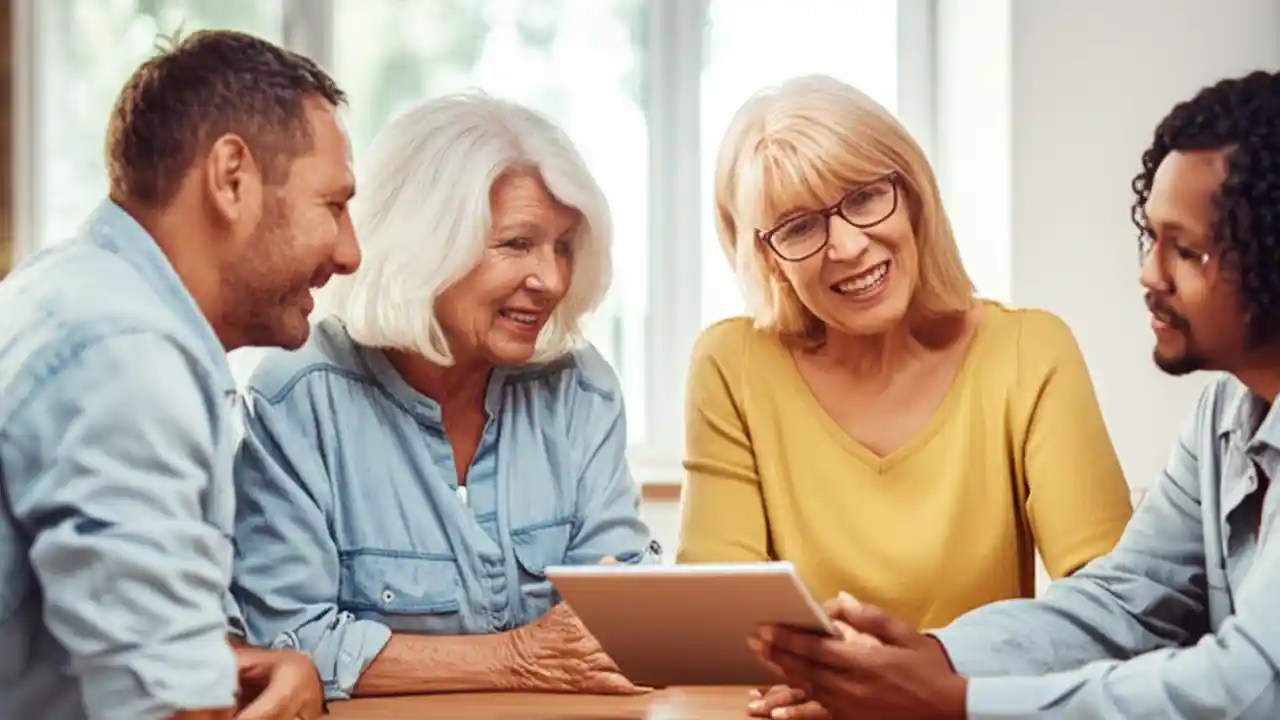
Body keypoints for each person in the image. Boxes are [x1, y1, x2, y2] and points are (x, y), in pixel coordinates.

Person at [752, 69, 1280, 719]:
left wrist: (956, 700)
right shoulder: (1223, 411)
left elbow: (1252, 685)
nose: (1147, 273)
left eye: (1188, 252)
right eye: (1152, 237)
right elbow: (1125, 600)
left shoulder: (1026, 348)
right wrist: (930, 658)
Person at [680, 72, 1131, 676]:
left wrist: (911, 680)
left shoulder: (1030, 351)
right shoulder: (730, 365)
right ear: (767, 258)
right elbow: (717, 626)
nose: (845, 246)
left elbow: (1113, 608)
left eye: (864, 197)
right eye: (800, 227)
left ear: (913, 194)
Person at [230, 92, 655, 701]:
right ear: (423, 245)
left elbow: (622, 620)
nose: (553, 279)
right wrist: (515, 658)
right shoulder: (296, 399)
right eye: (517, 244)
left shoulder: (580, 389)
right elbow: (290, 640)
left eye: (563, 245)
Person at [0, 30, 360, 720]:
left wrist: (245, 667)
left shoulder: (66, 291)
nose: (350, 253)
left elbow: (98, 631)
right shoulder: (127, 359)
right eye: (333, 206)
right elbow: (158, 710)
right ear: (232, 179)